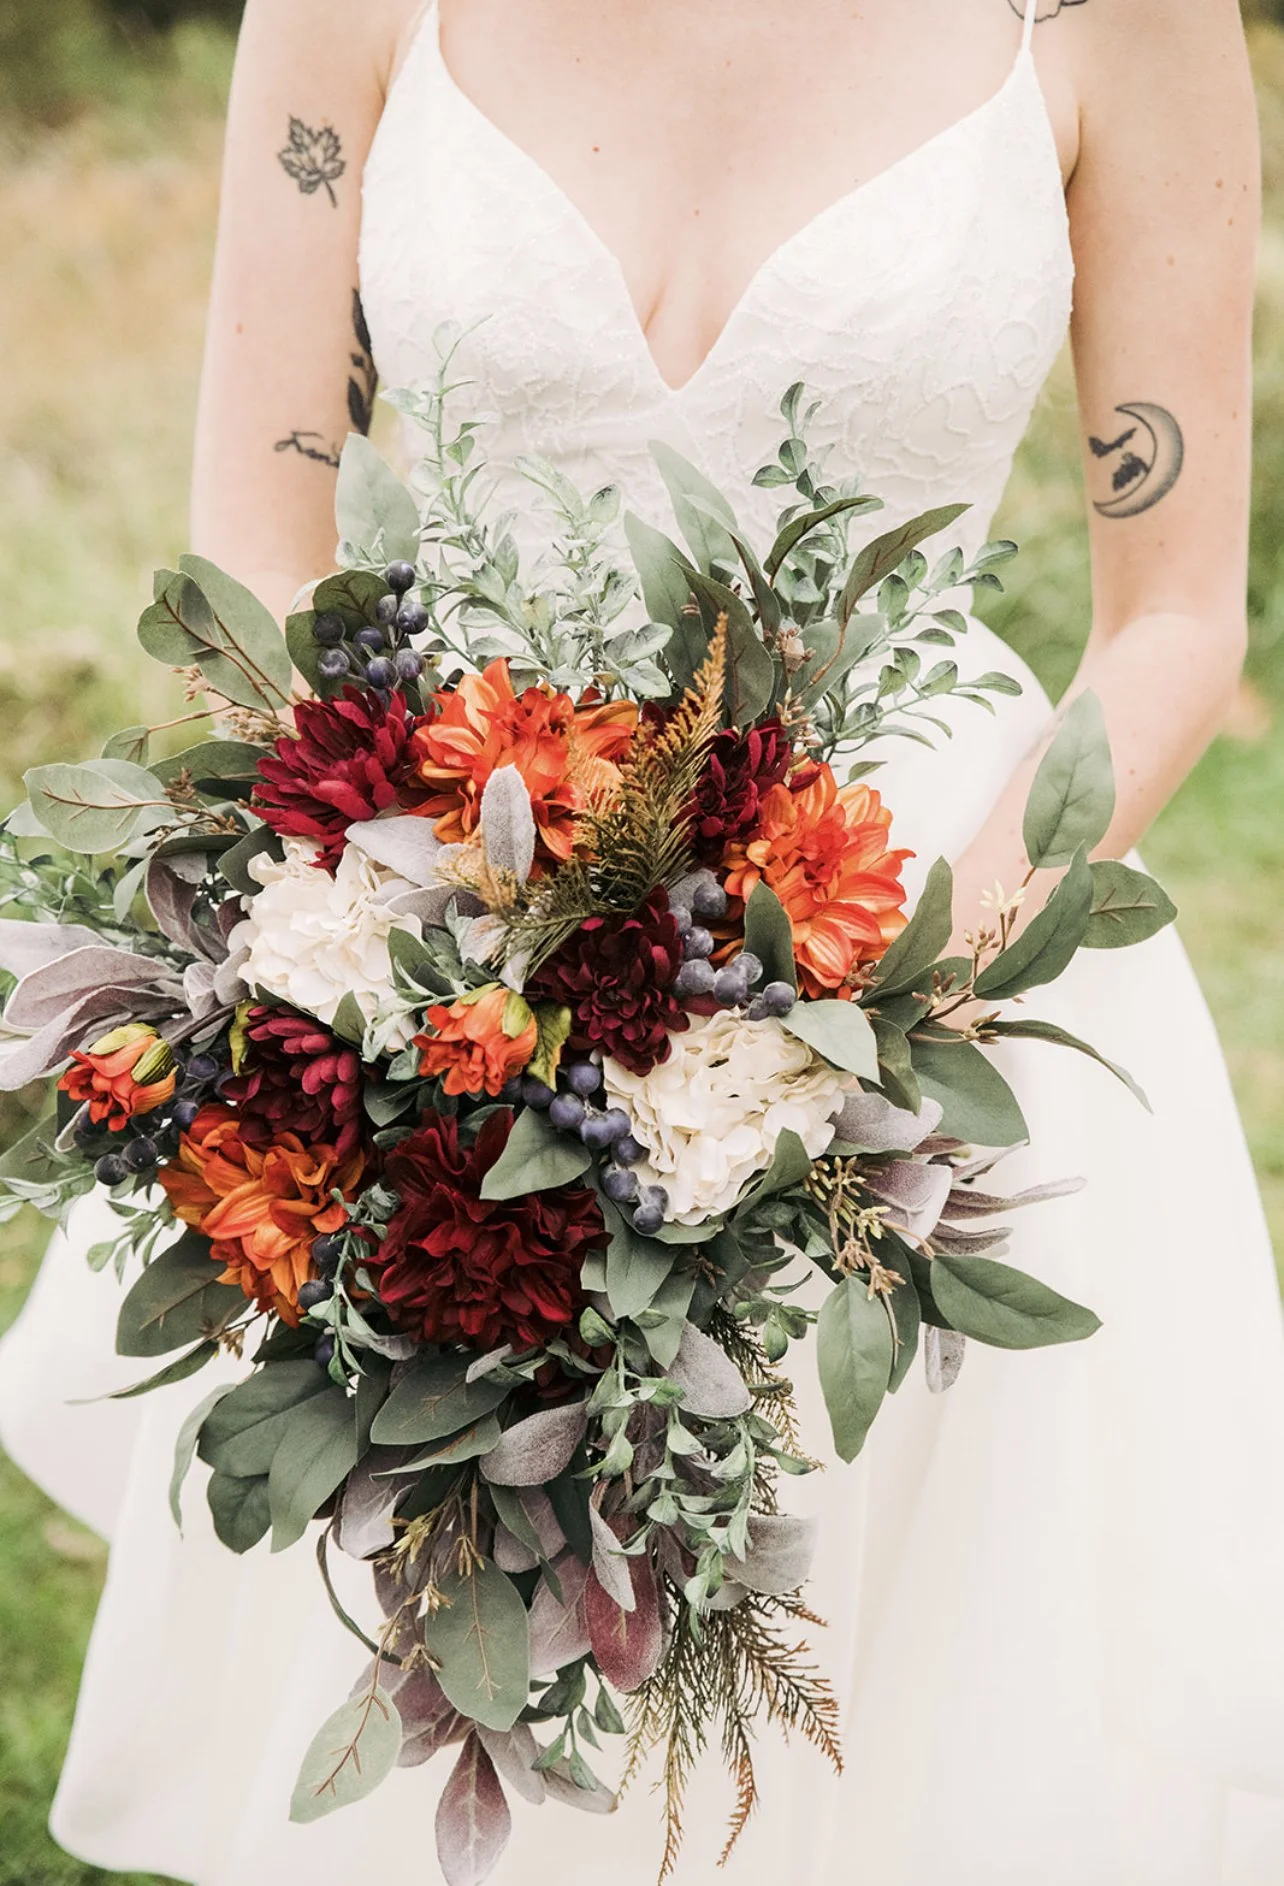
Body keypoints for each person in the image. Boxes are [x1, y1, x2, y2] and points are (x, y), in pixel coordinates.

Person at [3, 0, 1284, 1880]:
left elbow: (1172, 621)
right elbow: (257, 553)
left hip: (927, 964)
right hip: (454, 961)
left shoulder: (1111, 20)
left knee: (926, 1723)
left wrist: (891, 1005)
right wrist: (411, 950)